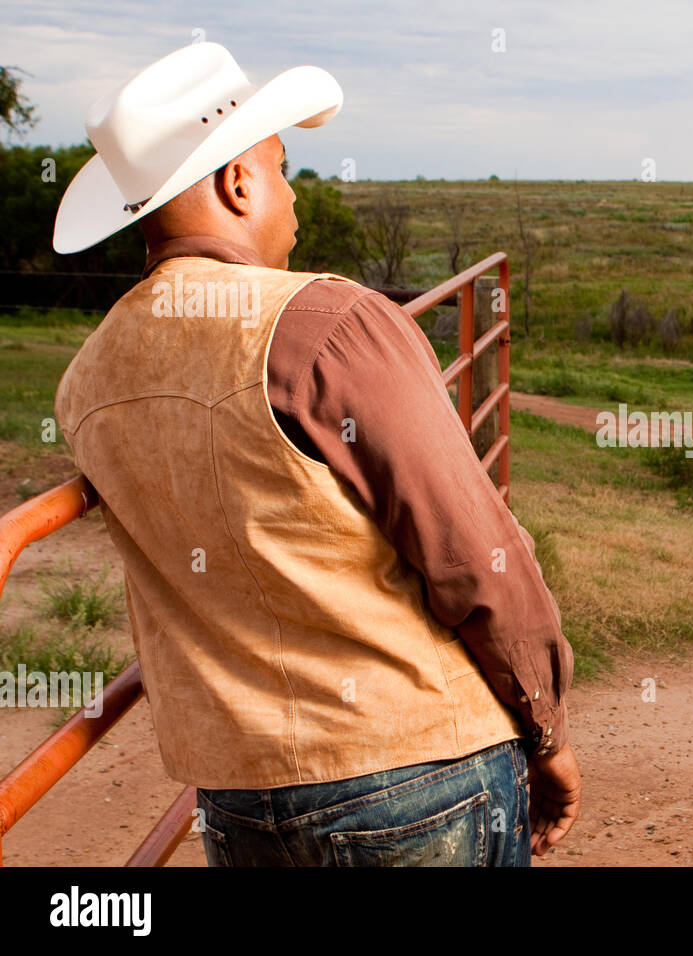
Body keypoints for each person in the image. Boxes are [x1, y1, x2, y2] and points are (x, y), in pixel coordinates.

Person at [51, 42, 579, 866]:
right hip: (413, 774)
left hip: (237, 798)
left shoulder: (87, 379)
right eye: (284, 165)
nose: (292, 193)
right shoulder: (325, 323)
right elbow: (476, 556)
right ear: (237, 184)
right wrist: (544, 728)